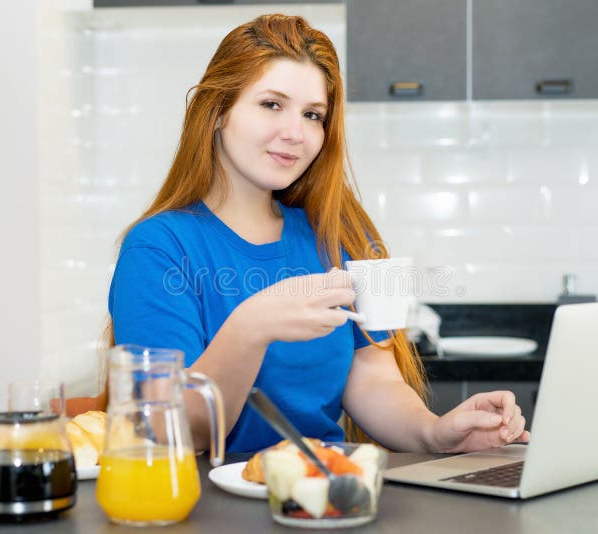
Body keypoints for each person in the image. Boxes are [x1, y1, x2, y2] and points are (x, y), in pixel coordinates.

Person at [106, 14, 529, 453]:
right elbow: (178, 433)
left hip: (326, 494)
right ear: (217, 111)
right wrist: (251, 327)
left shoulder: (342, 231)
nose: (295, 133)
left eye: (313, 115)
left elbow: (372, 377)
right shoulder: (156, 248)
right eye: (271, 104)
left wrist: (434, 433)